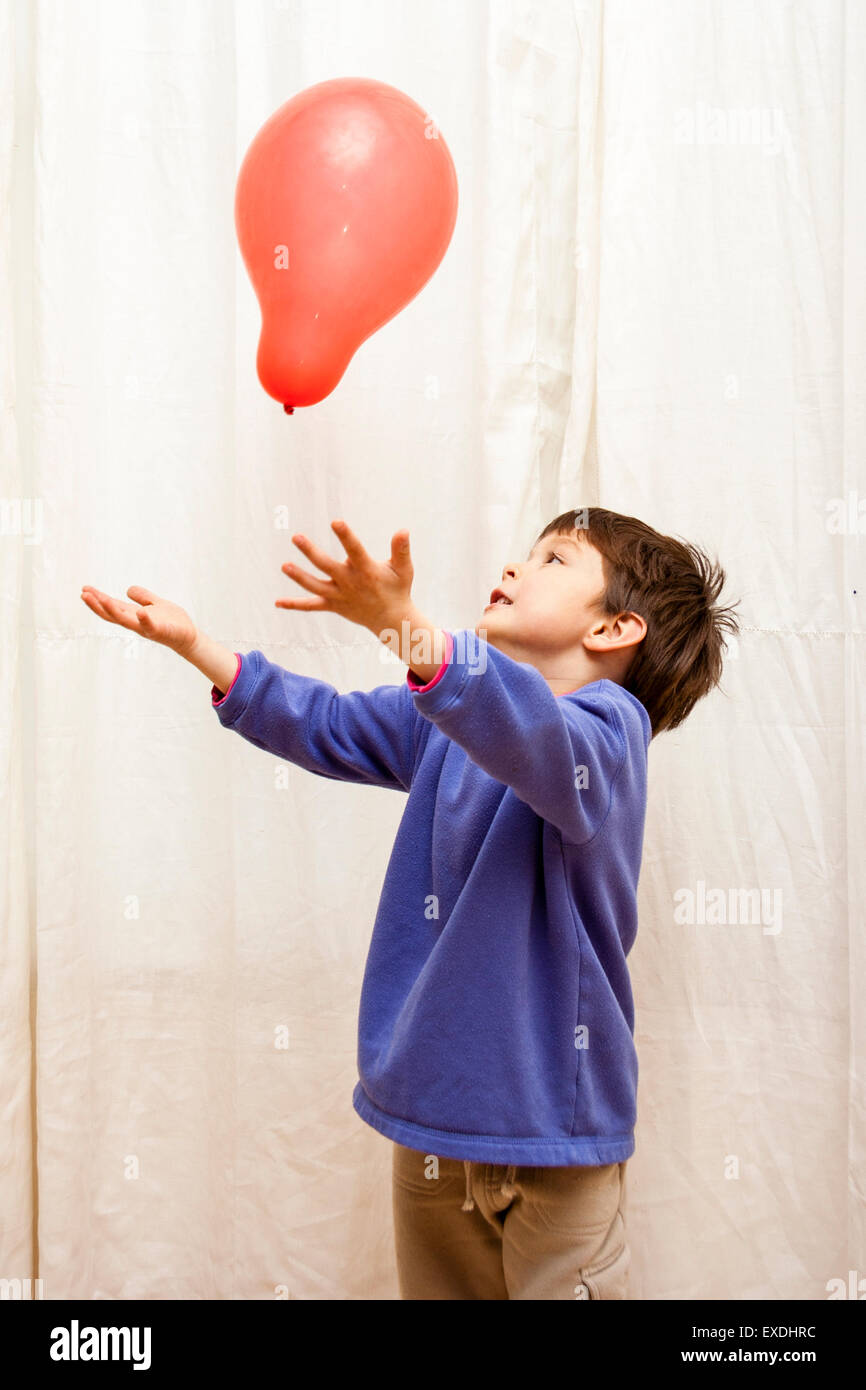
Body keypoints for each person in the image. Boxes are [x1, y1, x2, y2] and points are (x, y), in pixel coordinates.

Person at [80, 505, 740, 1300]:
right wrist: (201, 650)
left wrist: (406, 631)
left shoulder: (606, 734)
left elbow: (531, 736)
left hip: (556, 1136)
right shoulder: (449, 722)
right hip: (430, 1126)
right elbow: (323, 721)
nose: (511, 569)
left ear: (613, 630)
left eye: (553, 561)